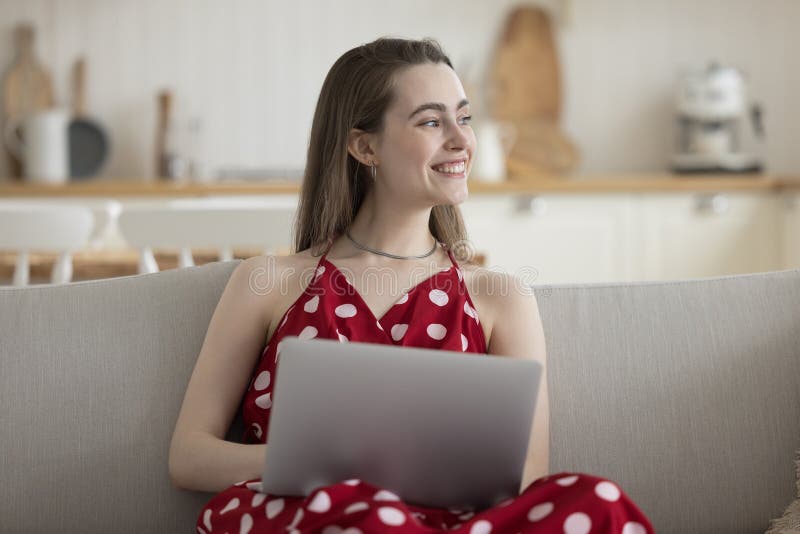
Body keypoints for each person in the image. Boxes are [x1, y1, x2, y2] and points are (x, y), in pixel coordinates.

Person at [168, 36, 654, 534]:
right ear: (364, 146)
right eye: (430, 121)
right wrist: (314, 466)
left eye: (463, 118)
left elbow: (527, 477)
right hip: (315, 516)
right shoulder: (268, 283)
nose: (462, 140)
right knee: (374, 518)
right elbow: (189, 456)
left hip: (456, 526)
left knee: (598, 498)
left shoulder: (502, 298)